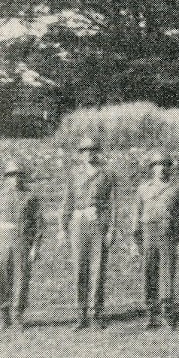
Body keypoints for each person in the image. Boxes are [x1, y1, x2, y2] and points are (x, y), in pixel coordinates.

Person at [58, 136, 117, 329]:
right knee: (79, 268)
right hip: (78, 224)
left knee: (98, 269)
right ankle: (81, 314)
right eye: (84, 151)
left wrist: (112, 229)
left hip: (98, 223)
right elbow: (67, 201)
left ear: (96, 152)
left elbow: (113, 204)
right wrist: (62, 227)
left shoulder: (107, 174)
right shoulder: (74, 174)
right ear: (80, 154)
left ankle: (97, 313)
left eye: (92, 150)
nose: (88, 154)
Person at [132, 152, 179, 329]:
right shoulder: (143, 188)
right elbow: (136, 214)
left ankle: (167, 312)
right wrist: (135, 240)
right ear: (152, 168)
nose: (162, 168)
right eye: (157, 165)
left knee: (167, 272)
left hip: (168, 233)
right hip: (148, 232)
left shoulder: (177, 189)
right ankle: (151, 312)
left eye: (165, 165)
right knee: (149, 271)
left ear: (170, 168)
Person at [0, 160, 42, 329]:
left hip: (22, 240)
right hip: (2, 240)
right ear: (6, 178)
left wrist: (35, 247)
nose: (15, 179)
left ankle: (18, 314)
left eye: (18, 175)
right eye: (11, 175)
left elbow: (38, 224)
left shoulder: (30, 197)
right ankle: (4, 314)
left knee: (21, 278)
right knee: (2, 277)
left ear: (23, 177)